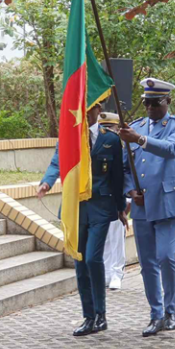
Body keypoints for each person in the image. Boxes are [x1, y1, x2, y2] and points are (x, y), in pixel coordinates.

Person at [36, 101, 128, 336]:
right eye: (82, 109)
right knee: (79, 262)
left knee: (93, 258)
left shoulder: (111, 139)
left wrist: (120, 209)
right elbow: (57, 161)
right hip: (76, 208)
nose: (86, 113)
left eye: (91, 109)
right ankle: (88, 317)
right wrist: (47, 181)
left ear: (99, 110)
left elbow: (117, 177)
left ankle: (101, 314)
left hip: (101, 207)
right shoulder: (70, 137)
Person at [117, 78, 175, 337]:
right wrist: (130, 190)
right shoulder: (135, 127)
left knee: (166, 256)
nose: (149, 107)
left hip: (170, 203)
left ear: (168, 101)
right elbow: (126, 168)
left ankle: (171, 310)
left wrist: (140, 139)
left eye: (155, 102)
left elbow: (173, 149)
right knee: (147, 263)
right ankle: (156, 313)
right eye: (146, 102)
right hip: (142, 205)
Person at [98, 112, 129, 291]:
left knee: (117, 237)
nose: (108, 131)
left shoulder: (123, 148)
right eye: (105, 127)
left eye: (111, 128)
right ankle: (107, 272)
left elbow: (126, 174)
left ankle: (117, 272)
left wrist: (127, 200)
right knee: (105, 238)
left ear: (118, 129)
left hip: (118, 197)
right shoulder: (97, 146)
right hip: (101, 199)